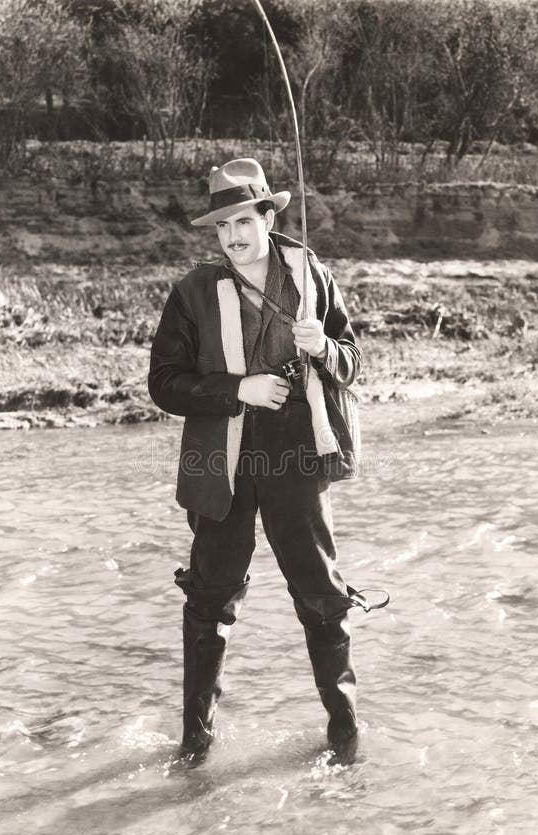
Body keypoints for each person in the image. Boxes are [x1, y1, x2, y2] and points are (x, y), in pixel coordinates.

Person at [148, 158, 363, 762]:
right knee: (209, 600)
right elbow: (163, 384)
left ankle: (344, 735)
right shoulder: (191, 291)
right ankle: (195, 743)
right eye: (221, 227)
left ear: (269, 215)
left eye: (243, 220)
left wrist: (324, 348)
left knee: (321, 594)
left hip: (298, 452)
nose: (233, 236)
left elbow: (353, 360)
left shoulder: (312, 274)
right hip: (219, 460)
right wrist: (237, 391)